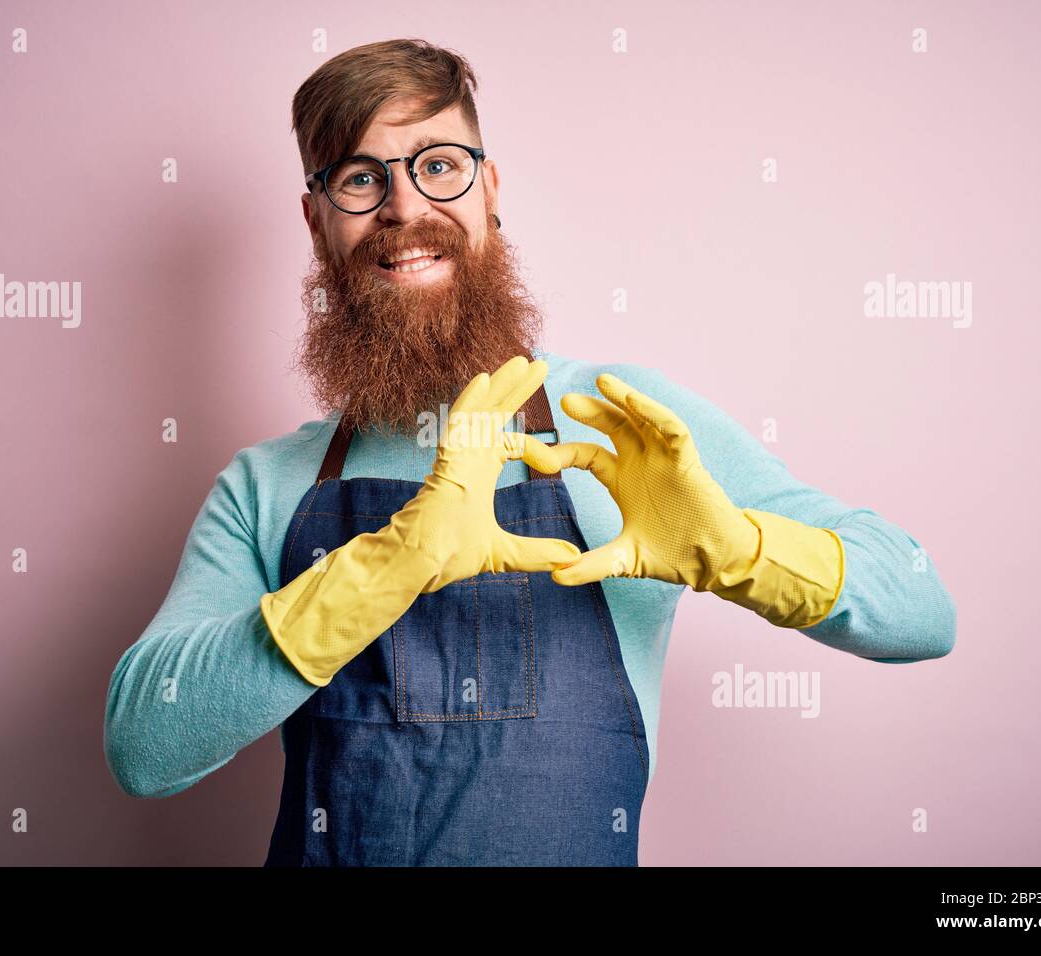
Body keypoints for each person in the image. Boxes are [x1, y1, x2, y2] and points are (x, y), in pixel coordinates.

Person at [103, 38, 956, 866]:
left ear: (490, 188)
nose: (405, 209)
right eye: (361, 179)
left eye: (438, 164)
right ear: (316, 219)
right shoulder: (265, 486)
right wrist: (388, 567)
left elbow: (922, 608)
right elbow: (143, 746)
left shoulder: (620, 426)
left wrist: (739, 552)